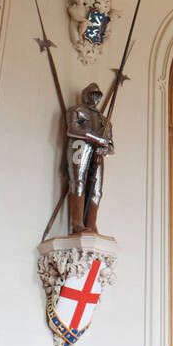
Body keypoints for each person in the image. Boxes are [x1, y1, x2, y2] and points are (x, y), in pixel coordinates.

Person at [65, 83, 113, 234]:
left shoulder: (104, 121)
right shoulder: (77, 111)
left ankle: (91, 225)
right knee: (78, 182)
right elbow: (72, 129)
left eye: (97, 95)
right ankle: (77, 222)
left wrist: (103, 146)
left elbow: (110, 147)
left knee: (97, 191)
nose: (94, 98)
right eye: (92, 94)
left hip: (97, 152)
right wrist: (98, 139)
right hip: (80, 146)